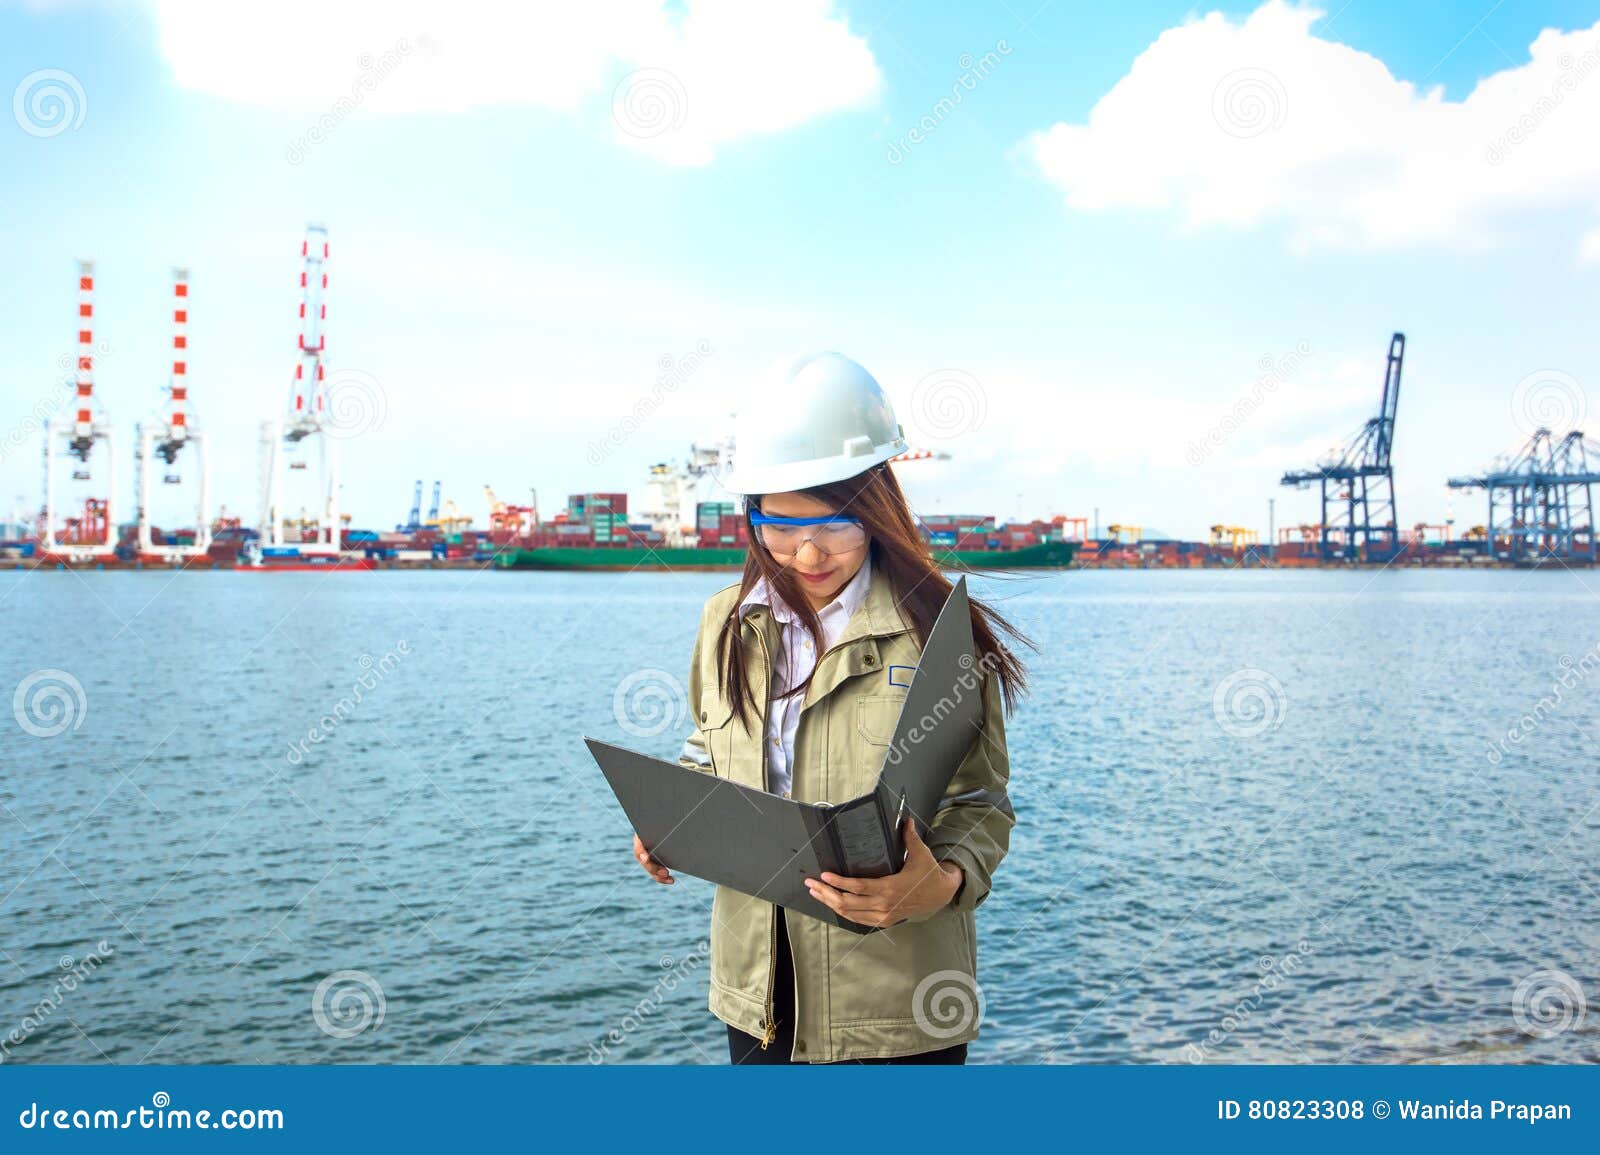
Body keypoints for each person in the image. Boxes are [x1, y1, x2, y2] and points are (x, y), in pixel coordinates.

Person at [631, 351, 1033, 1064]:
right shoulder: (725, 623)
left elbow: (983, 802)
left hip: (898, 1008)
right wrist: (671, 820)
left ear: (877, 508)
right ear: (751, 514)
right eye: (779, 525)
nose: (806, 552)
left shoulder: (941, 631)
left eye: (835, 525)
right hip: (757, 1007)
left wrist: (938, 885)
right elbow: (707, 746)